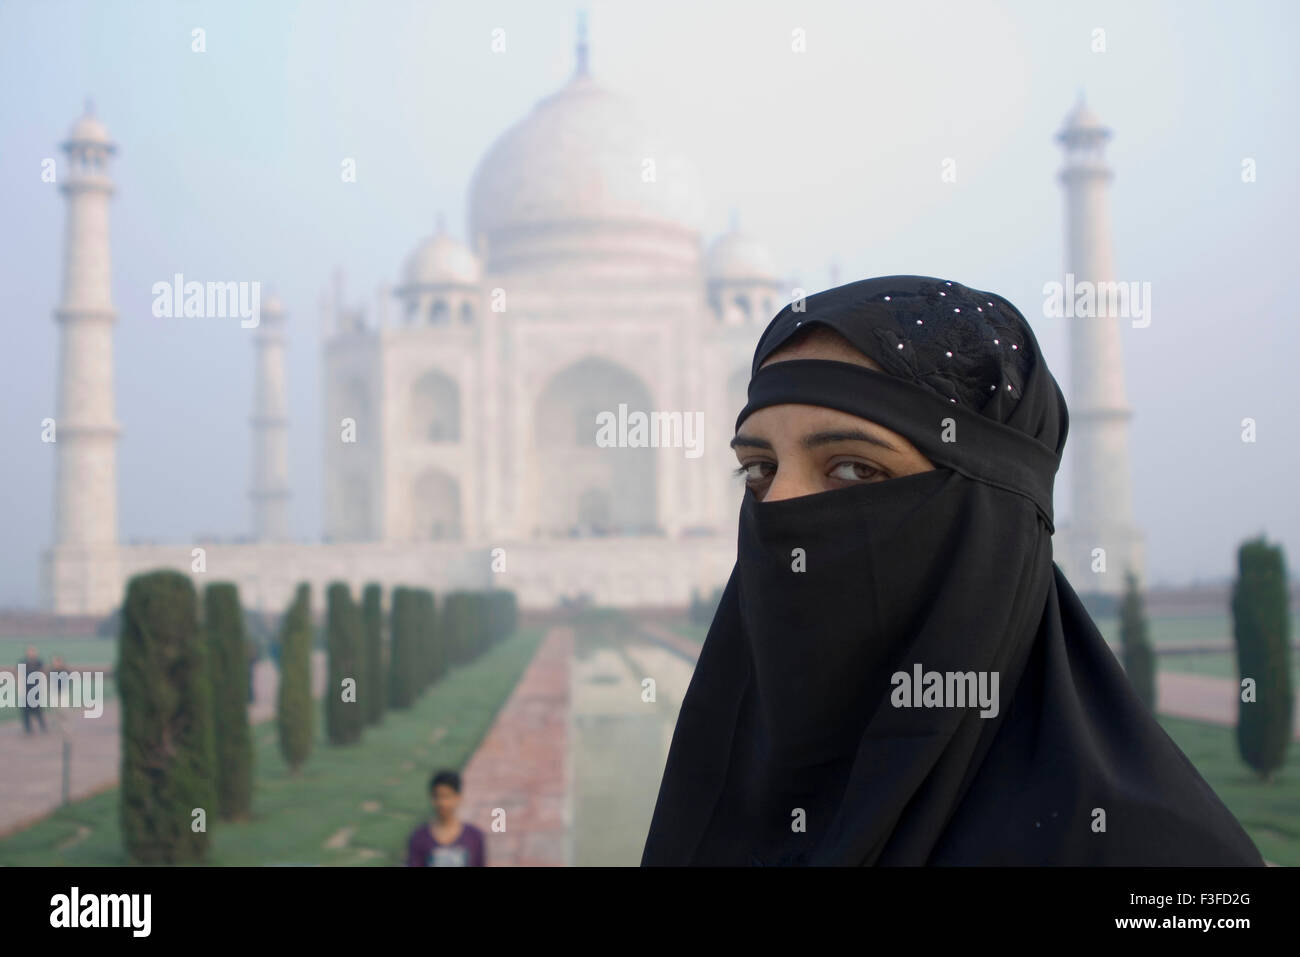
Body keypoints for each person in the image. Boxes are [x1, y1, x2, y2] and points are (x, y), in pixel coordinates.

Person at [641, 275, 1265, 866]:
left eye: (853, 469)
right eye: (759, 470)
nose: (778, 509)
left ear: (987, 516)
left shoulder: (1152, 860)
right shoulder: (746, 792)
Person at [406, 769, 486, 866]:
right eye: (437, 796)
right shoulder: (419, 838)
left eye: (446, 796)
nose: (441, 803)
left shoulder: (474, 837)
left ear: (458, 797)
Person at [18, 646, 46, 735]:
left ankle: (43, 726)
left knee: (38, 709)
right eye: (30, 651)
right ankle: (28, 728)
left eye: (33, 651)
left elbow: (43, 673)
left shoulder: (39, 662)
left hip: (36, 689)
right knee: (25, 710)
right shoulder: (22, 662)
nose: (31, 653)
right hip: (25, 689)